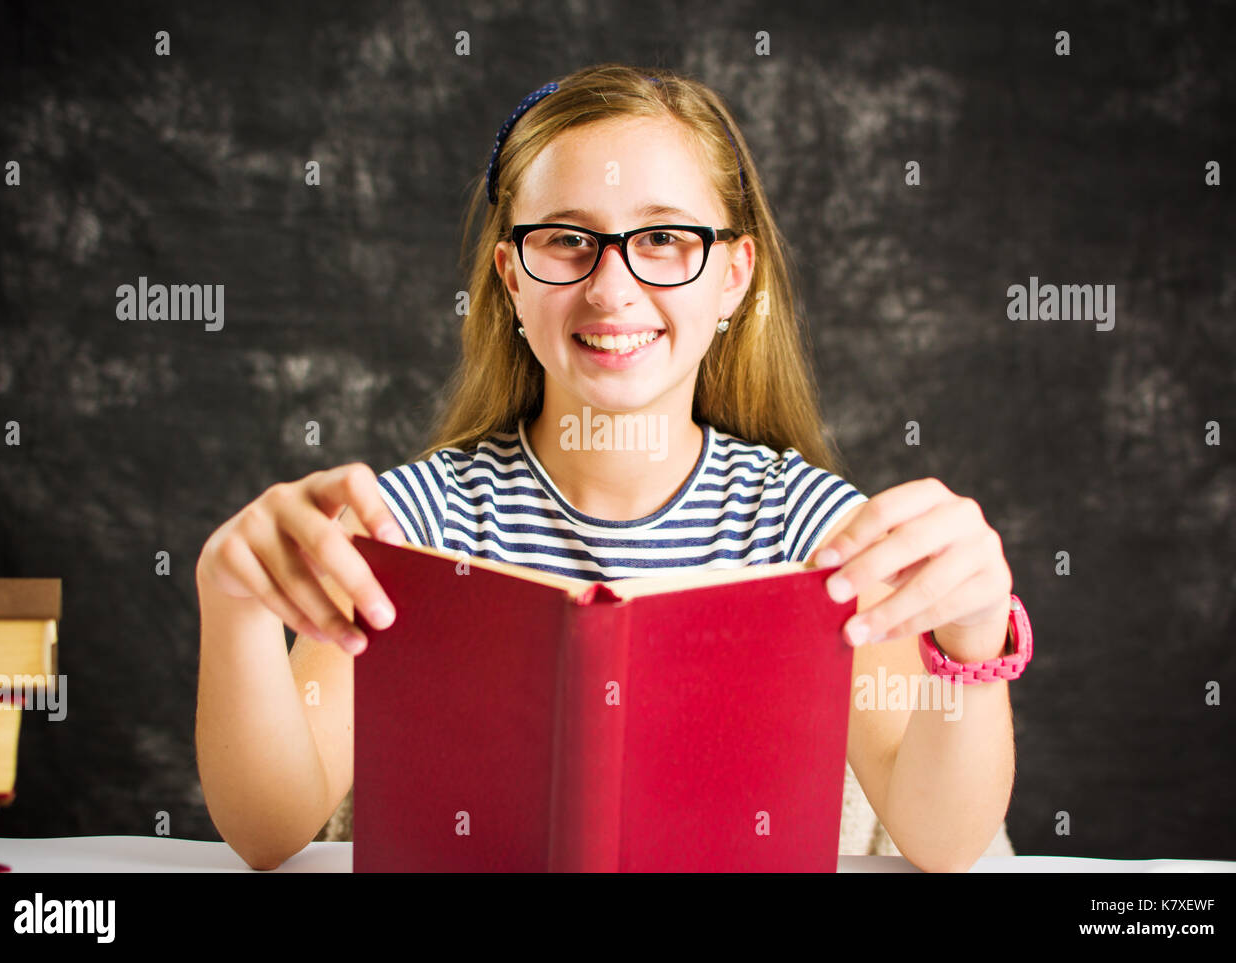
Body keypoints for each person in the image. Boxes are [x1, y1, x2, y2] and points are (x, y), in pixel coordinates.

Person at [195, 62, 1019, 872]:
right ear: (511, 275)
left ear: (734, 276)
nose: (612, 288)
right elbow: (271, 832)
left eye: (664, 238)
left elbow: (941, 842)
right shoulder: (409, 527)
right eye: (566, 240)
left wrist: (974, 636)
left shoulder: (819, 535)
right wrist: (234, 606)